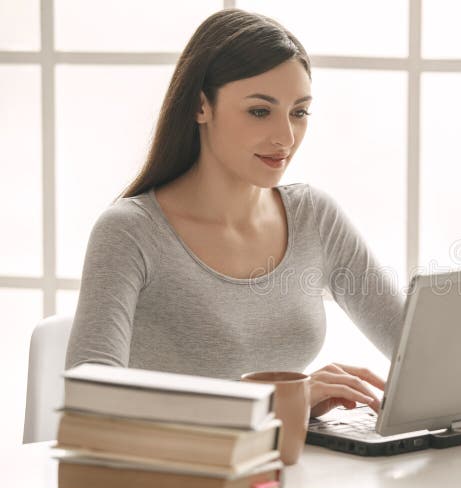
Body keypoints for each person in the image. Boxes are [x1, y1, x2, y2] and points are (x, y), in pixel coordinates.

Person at [64, 8, 405, 418]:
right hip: (176, 459)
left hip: (285, 456)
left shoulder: (315, 217)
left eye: (299, 112)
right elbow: (90, 401)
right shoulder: (130, 232)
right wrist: (282, 400)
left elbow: (417, 347)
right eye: (260, 111)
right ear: (200, 106)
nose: (286, 137)